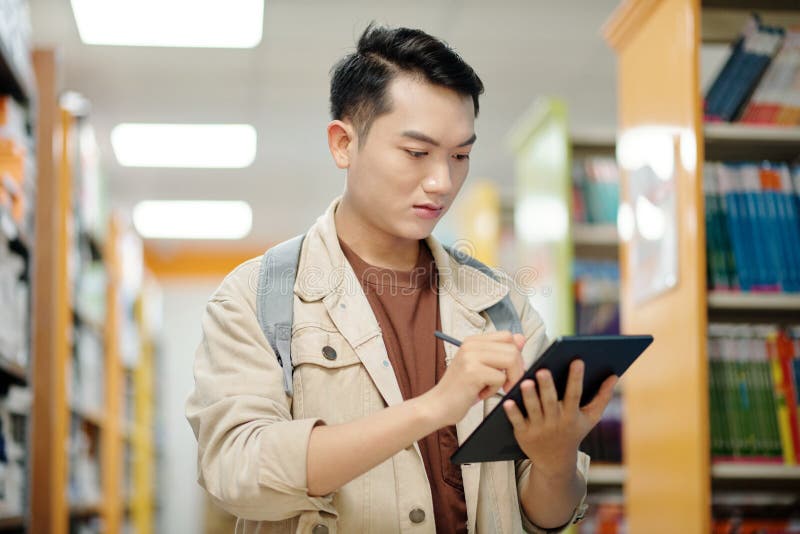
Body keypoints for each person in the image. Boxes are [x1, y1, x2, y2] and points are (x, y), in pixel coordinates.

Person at [186, 23, 617, 534]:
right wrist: (433, 408)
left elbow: (546, 518)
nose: (442, 182)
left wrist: (554, 460)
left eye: (460, 156)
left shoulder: (501, 305)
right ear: (343, 143)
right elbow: (237, 473)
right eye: (417, 153)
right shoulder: (256, 296)